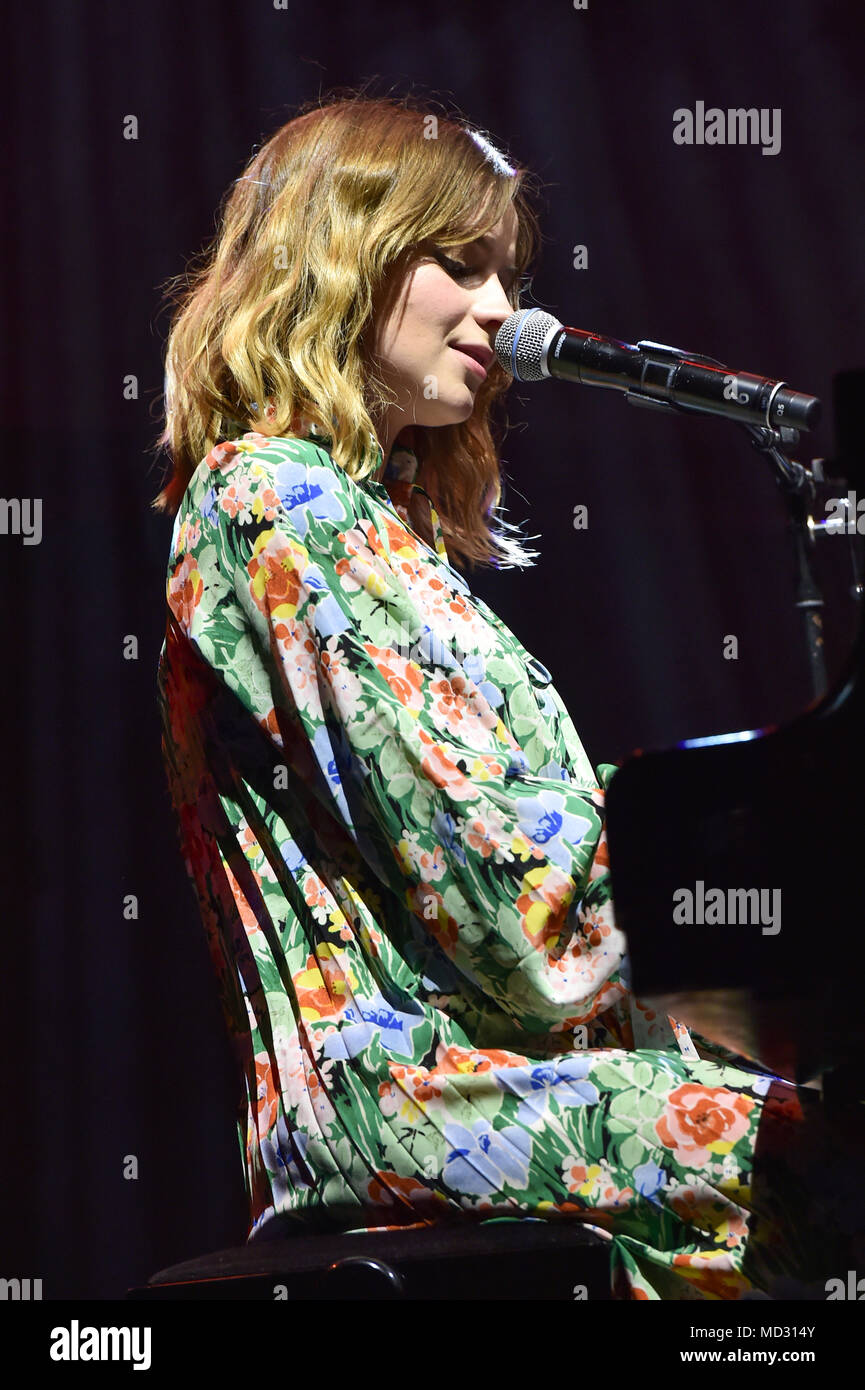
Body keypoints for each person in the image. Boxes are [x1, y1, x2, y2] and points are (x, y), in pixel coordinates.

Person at [153, 91, 865, 1300]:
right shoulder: (276, 503)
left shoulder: (374, 529)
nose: (502, 307)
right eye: (458, 263)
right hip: (403, 1102)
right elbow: (508, 910)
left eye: (506, 271)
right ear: (340, 258)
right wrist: (747, 890)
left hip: (507, 1081)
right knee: (827, 1163)